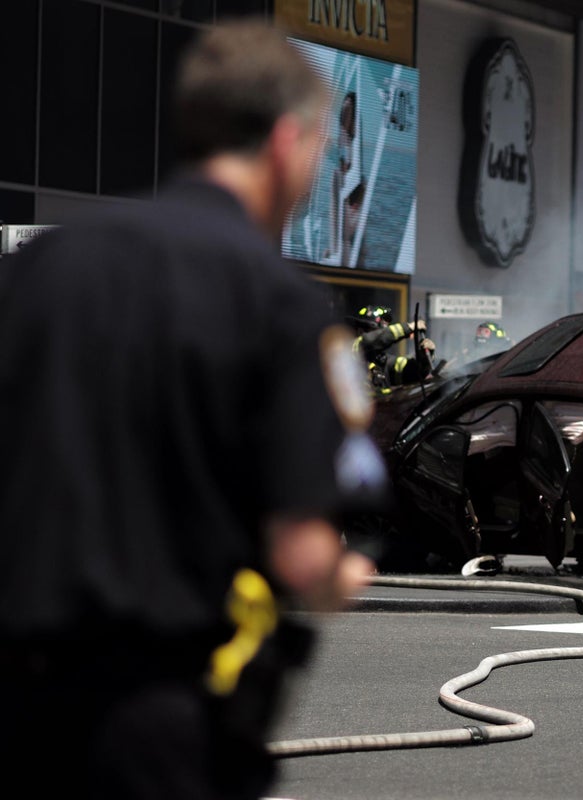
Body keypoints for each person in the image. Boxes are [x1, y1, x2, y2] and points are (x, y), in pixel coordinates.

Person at [0, 20, 379, 800]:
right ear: (285, 140)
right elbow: (307, 557)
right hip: (161, 723)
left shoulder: (40, 269)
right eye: (318, 146)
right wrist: (347, 568)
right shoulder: (280, 306)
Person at [351, 304, 436, 388]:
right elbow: (374, 340)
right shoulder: (352, 349)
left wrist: (423, 359)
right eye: (377, 332)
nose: (382, 335)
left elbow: (410, 373)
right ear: (360, 331)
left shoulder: (381, 361)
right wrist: (409, 327)